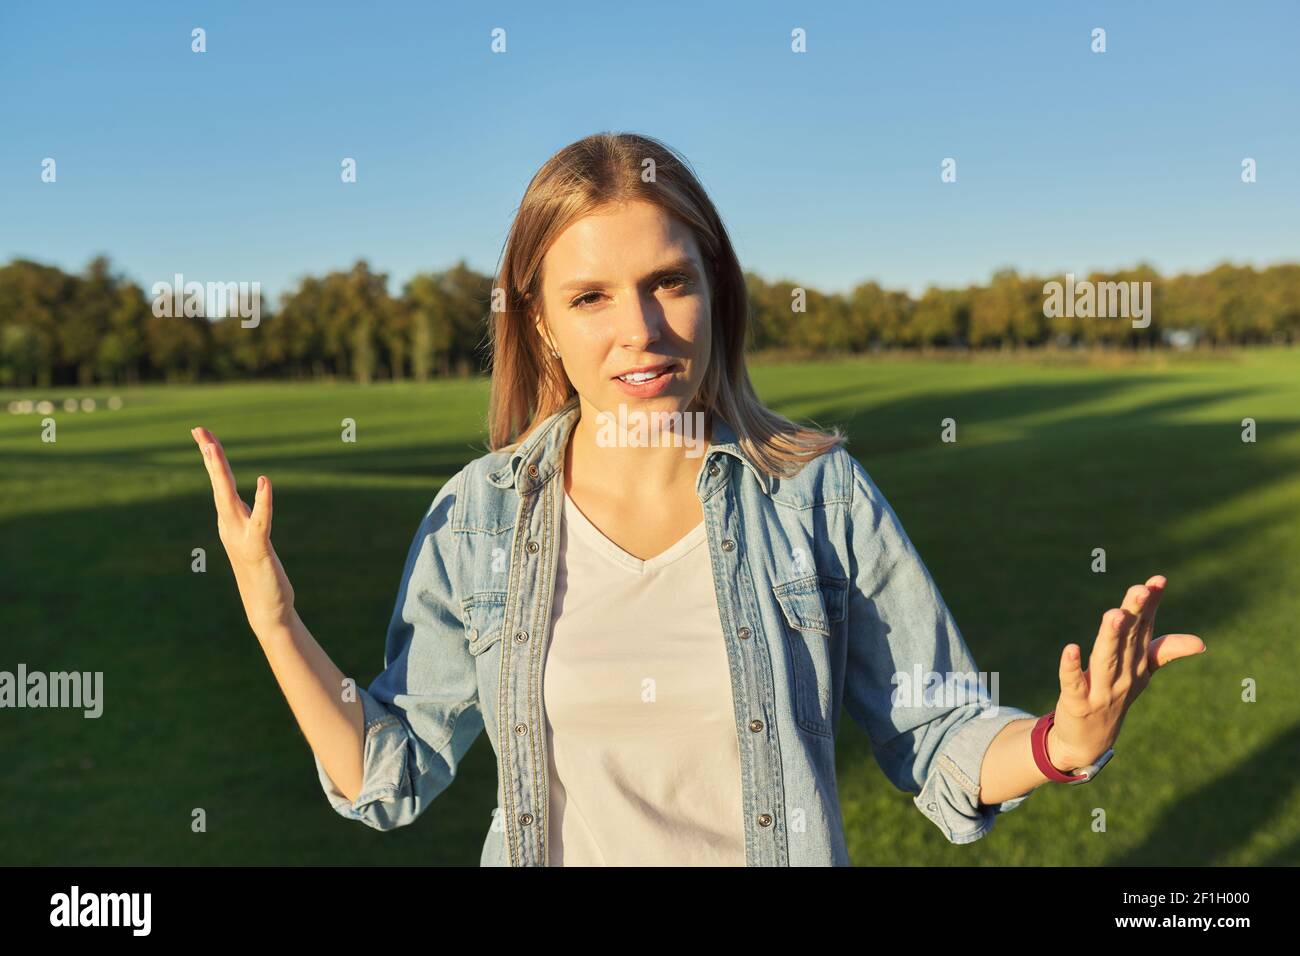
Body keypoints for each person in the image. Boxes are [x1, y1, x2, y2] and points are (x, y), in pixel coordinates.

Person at [189, 131, 1206, 866]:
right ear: (540, 324)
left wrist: (1060, 746)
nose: (640, 328)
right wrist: (275, 624)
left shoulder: (816, 490)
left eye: (669, 282)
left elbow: (931, 730)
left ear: (715, 290)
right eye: (589, 296)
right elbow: (391, 771)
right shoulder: (480, 513)